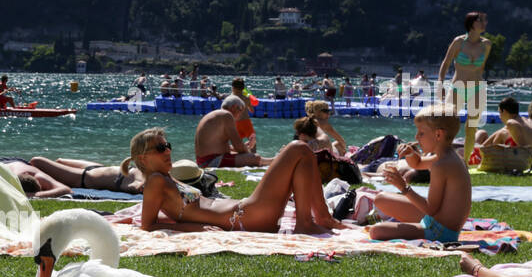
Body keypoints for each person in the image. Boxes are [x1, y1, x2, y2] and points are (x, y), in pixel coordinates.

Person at [133, 127, 349, 233]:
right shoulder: (155, 182)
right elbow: (148, 225)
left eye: (168, 145)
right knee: (298, 149)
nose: (168, 150)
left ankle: (316, 219)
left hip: (247, 213)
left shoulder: (164, 178)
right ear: (143, 158)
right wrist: (197, 229)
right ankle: (312, 221)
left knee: (302, 157)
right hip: (245, 216)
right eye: (161, 148)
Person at [363, 105, 471, 242]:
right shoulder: (448, 157)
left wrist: (403, 187)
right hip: (437, 221)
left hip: (439, 232)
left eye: (421, 133)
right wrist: (410, 154)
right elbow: (418, 163)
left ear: (438, 134)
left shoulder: (441, 165)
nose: (416, 137)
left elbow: (430, 209)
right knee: (381, 198)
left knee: (376, 231)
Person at [436, 11, 491, 165]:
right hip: (457, 87)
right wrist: (440, 83)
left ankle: (465, 162)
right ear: (472, 24)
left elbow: (482, 68)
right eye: (481, 21)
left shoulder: (486, 44)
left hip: (477, 88)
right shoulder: (458, 42)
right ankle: (440, 157)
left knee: (471, 127)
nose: (484, 24)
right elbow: (446, 63)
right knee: (446, 123)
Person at [194, 95, 270, 168]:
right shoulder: (227, 115)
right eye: (240, 111)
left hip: (204, 160)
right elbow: (239, 147)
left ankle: (272, 160)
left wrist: (245, 147)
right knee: (254, 157)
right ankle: (273, 161)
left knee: (248, 156)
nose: (240, 116)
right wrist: (247, 149)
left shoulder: (217, 115)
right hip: (210, 161)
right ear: (234, 107)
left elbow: (220, 146)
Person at [475, 97, 532, 167]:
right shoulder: (522, 120)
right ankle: (479, 153)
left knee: (501, 134)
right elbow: (499, 131)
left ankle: (483, 157)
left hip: (531, 161)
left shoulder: (511, 123)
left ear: (503, 111)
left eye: (499, 112)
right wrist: (482, 147)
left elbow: (524, 149)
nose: (500, 117)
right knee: (499, 133)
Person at [24, 155, 146, 194]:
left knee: (37, 161)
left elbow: (139, 187)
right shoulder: (150, 173)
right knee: (60, 161)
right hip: (99, 167)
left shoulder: (146, 181)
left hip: (84, 177)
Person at [0, 161, 72, 199]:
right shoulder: (6, 179)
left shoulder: (38, 176)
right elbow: (67, 190)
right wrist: (33, 196)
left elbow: (67, 190)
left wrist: (32, 195)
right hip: (2, 163)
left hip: (9, 163)